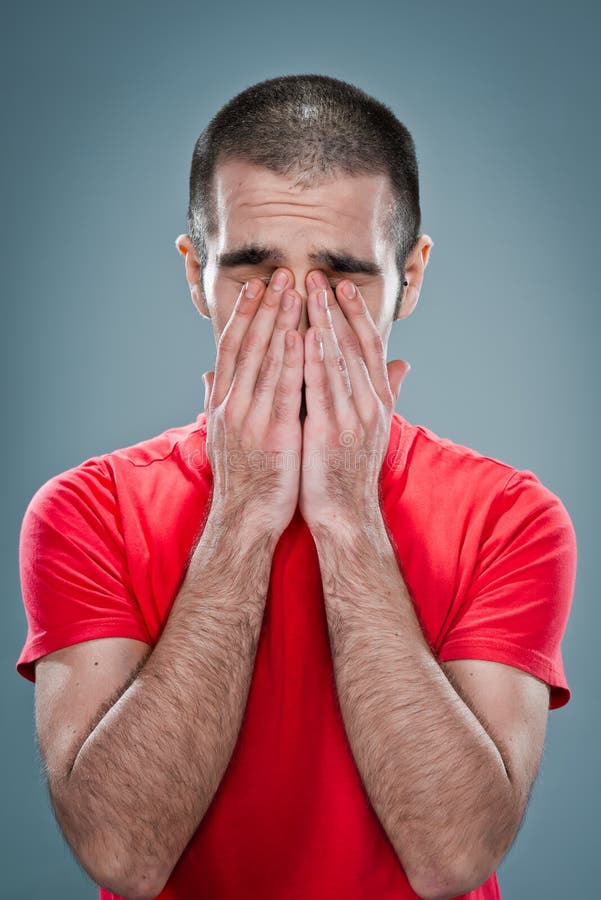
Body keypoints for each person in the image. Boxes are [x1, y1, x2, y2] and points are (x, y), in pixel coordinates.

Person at [16, 74, 577, 900]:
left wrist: (347, 517)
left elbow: (453, 858)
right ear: (194, 273)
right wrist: (243, 514)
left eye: (343, 275)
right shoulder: (85, 512)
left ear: (411, 276)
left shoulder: (510, 518)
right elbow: (122, 857)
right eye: (254, 272)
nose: (300, 316)